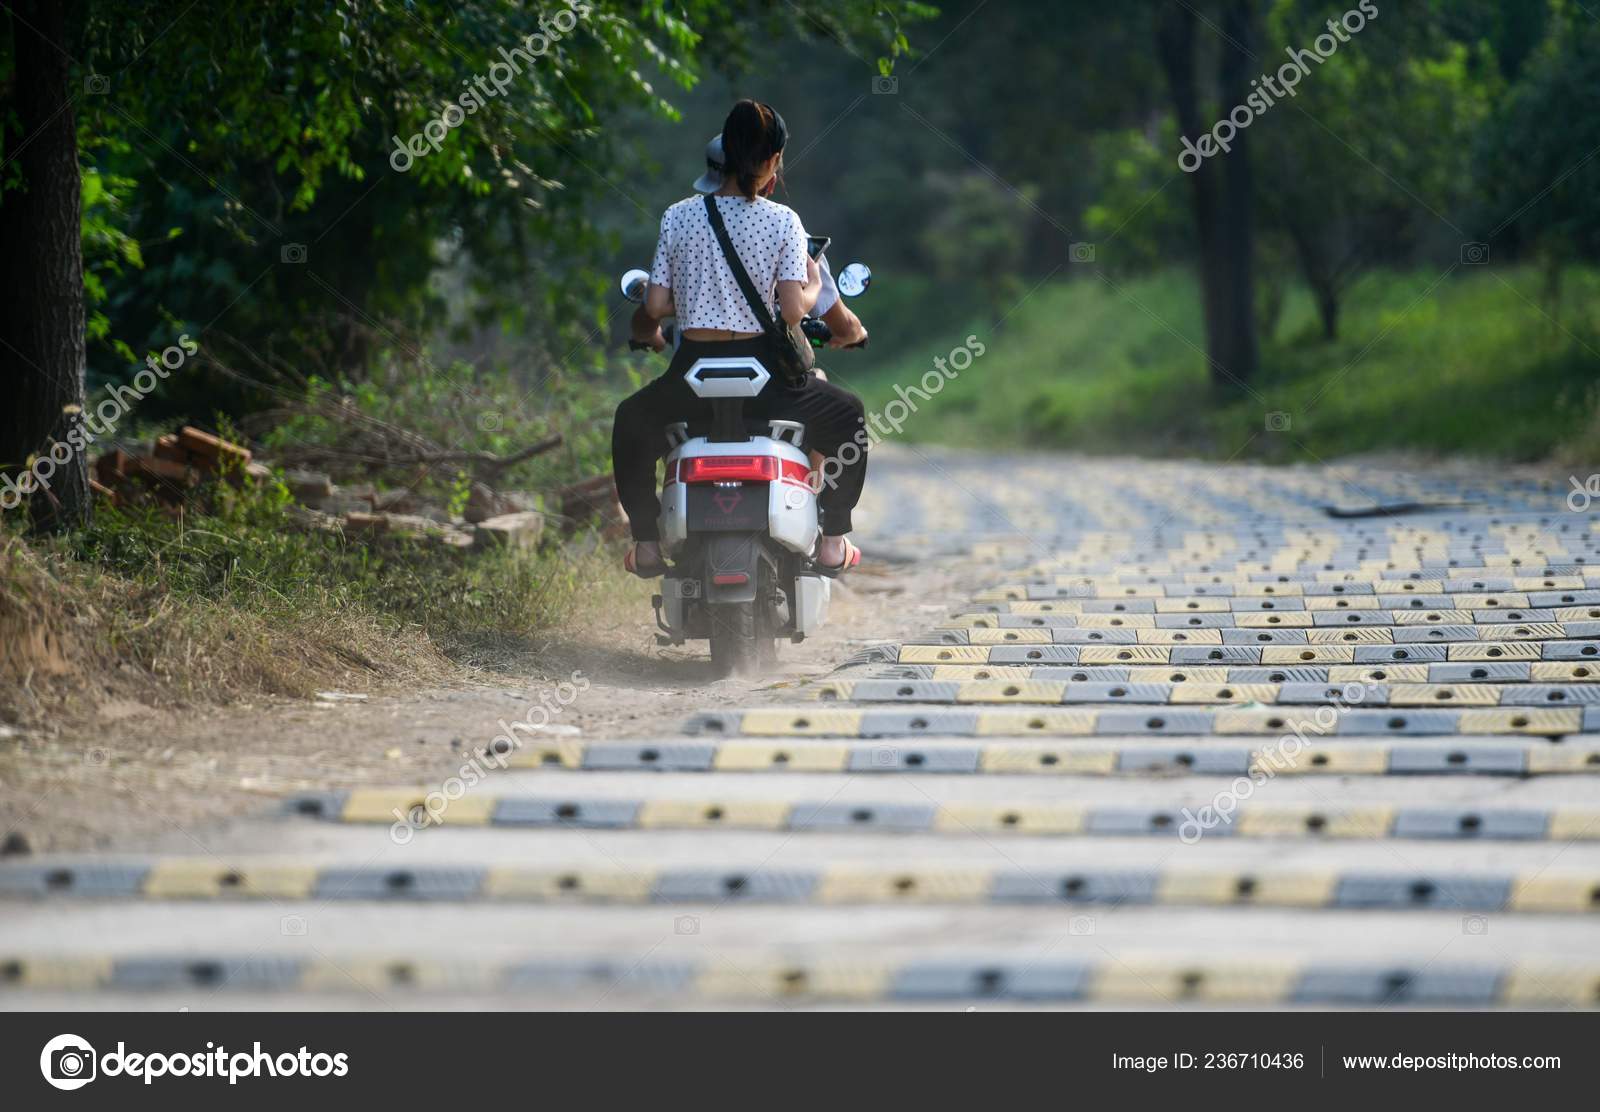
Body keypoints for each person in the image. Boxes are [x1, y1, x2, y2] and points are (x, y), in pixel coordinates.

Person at [615, 99, 867, 578]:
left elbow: (653, 307)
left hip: (691, 378)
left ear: (724, 153)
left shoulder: (678, 215)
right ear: (773, 160)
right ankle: (833, 541)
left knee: (631, 422)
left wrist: (690, 300)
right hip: (769, 383)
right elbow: (793, 311)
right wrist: (813, 282)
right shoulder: (783, 221)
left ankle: (647, 545)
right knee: (849, 415)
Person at [691, 133, 867, 351]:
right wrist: (856, 332)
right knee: (821, 381)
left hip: (695, 362)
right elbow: (840, 324)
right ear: (770, 182)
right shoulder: (788, 229)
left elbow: (656, 306)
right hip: (766, 364)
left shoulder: (684, 224)